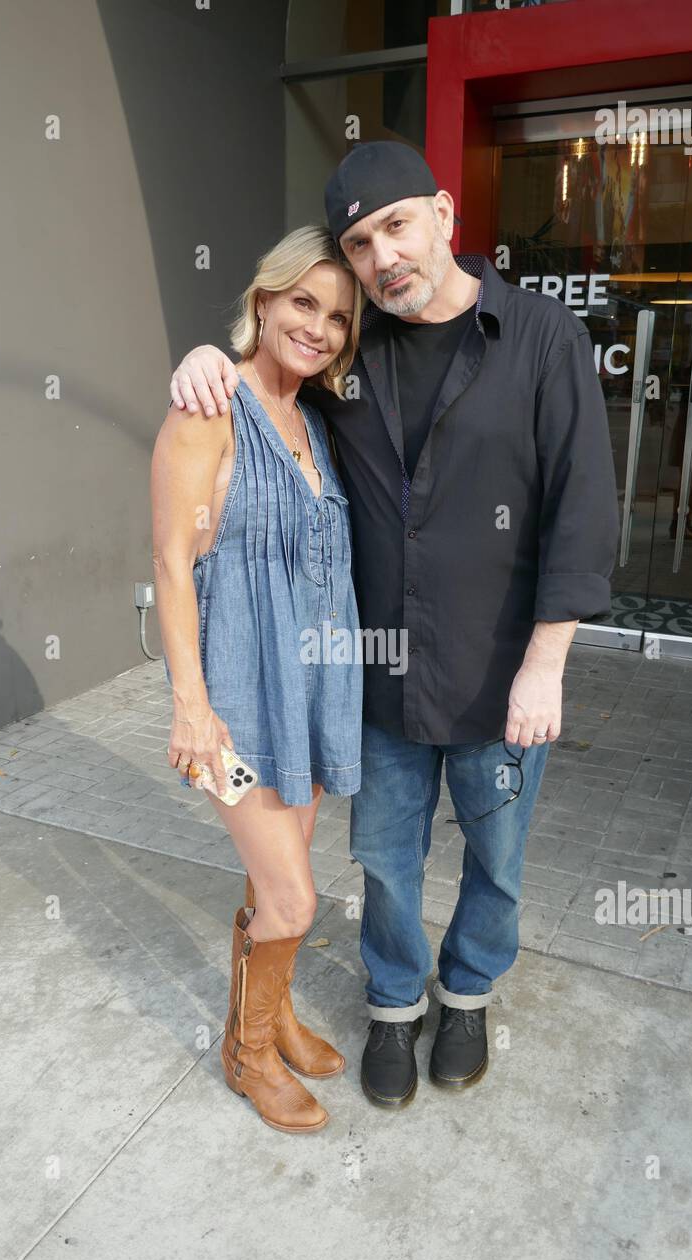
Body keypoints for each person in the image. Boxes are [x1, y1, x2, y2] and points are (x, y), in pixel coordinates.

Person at [168, 141, 620, 1110]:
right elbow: (266, 391)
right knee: (383, 859)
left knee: (495, 859)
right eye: (359, 243)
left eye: (395, 226)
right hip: (376, 678)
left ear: (443, 215)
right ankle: (389, 1003)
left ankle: (464, 993)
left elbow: (581, 506)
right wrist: (208, 355)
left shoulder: (541, 336)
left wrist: (547, 662)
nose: (381, 258)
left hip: (504, 678)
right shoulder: (348, 352)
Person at [151, 225, 364, 1134]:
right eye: (303, 303)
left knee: (271, 884)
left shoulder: (313, 419)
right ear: (265, 299)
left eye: (338, 318)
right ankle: (247, 1057)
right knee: (292, 897)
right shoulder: (211, 405)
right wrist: (192, 708)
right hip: (238, 703)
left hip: (311, 694)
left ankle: (272, 1018)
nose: (317, 328)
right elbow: (170, 563)